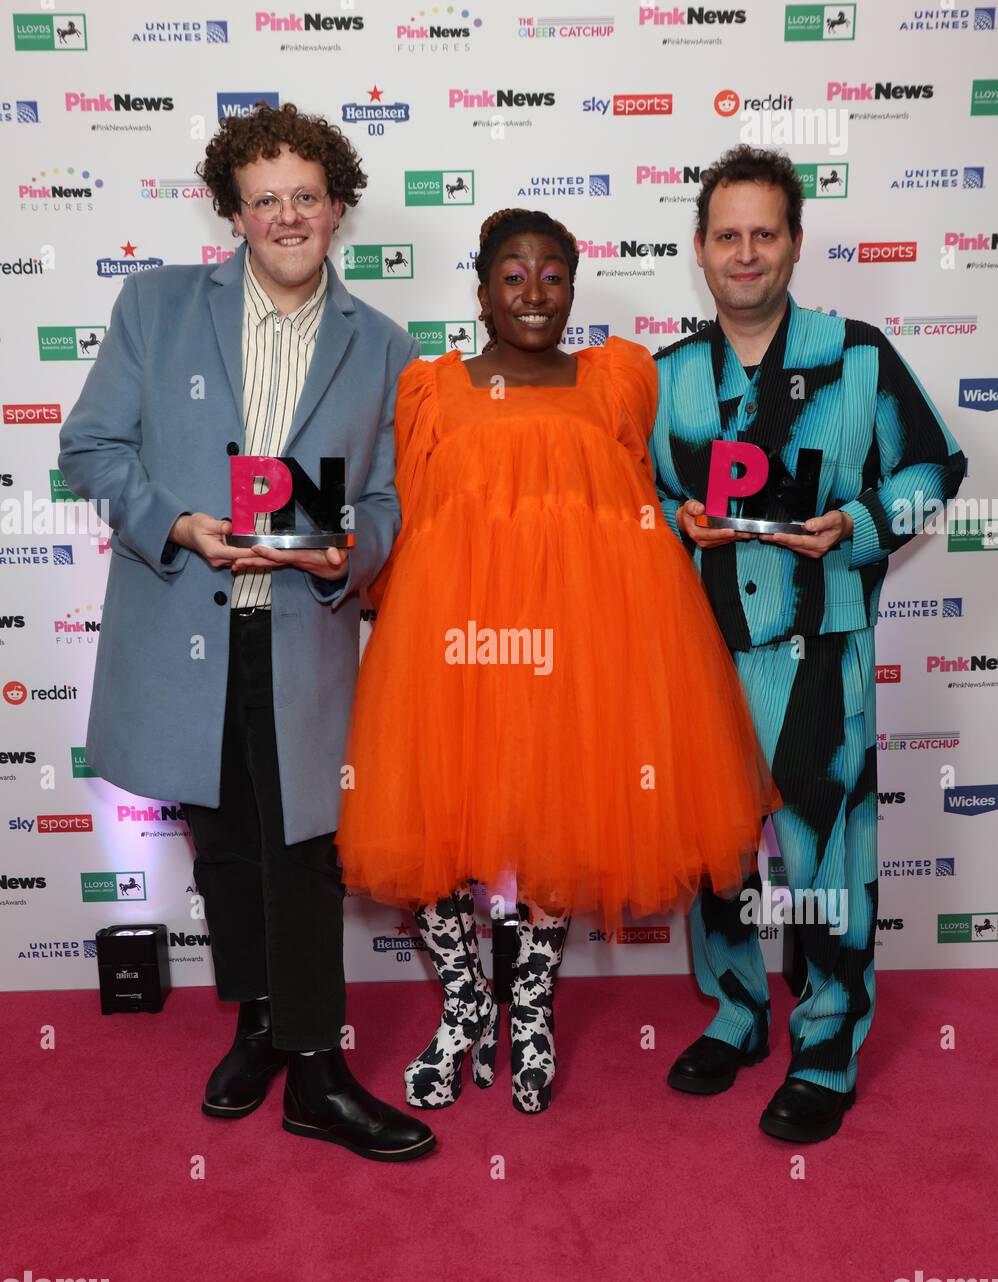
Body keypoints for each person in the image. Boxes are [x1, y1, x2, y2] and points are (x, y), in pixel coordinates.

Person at [335, 207, 780, 1115]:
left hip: (580, 655)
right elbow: (411, 517)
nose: (534, 293)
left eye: (552, 275)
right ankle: (465, 1008)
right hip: (452, 651)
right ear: (483, 288)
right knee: (432, 829)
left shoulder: (618, 380)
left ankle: (529, 1008)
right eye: (513, 274)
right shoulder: (431, 389)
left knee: (560, 817)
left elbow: (635, 503)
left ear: (573, 287)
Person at [58, 101, 435, 1163]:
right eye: (263, 198)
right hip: (185, 621)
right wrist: (176, 522)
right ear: (232, 209)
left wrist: (344, 554)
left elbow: (391, 503)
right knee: (220, 839)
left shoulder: (387, 346)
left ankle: (317, 1069)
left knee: (305, 848)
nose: (285, 216)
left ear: (338, 206)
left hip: (302, 633)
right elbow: (89, 448)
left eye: (304, 196)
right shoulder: (156, 307)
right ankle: (259, 1020)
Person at [651, 145, 965, 1143]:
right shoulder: (662, 380)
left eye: (764, 233)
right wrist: (674, 523)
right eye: (726, 234)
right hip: (705, 654)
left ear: (792, 242)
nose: (745, 253)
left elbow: (932, 466)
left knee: (831, 857)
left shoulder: (858, 353)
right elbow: (639, 501)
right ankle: (737, 1014)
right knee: (715, 854)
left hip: (822, 649)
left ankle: (824, 1050)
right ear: (698, 249)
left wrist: (858, 521)